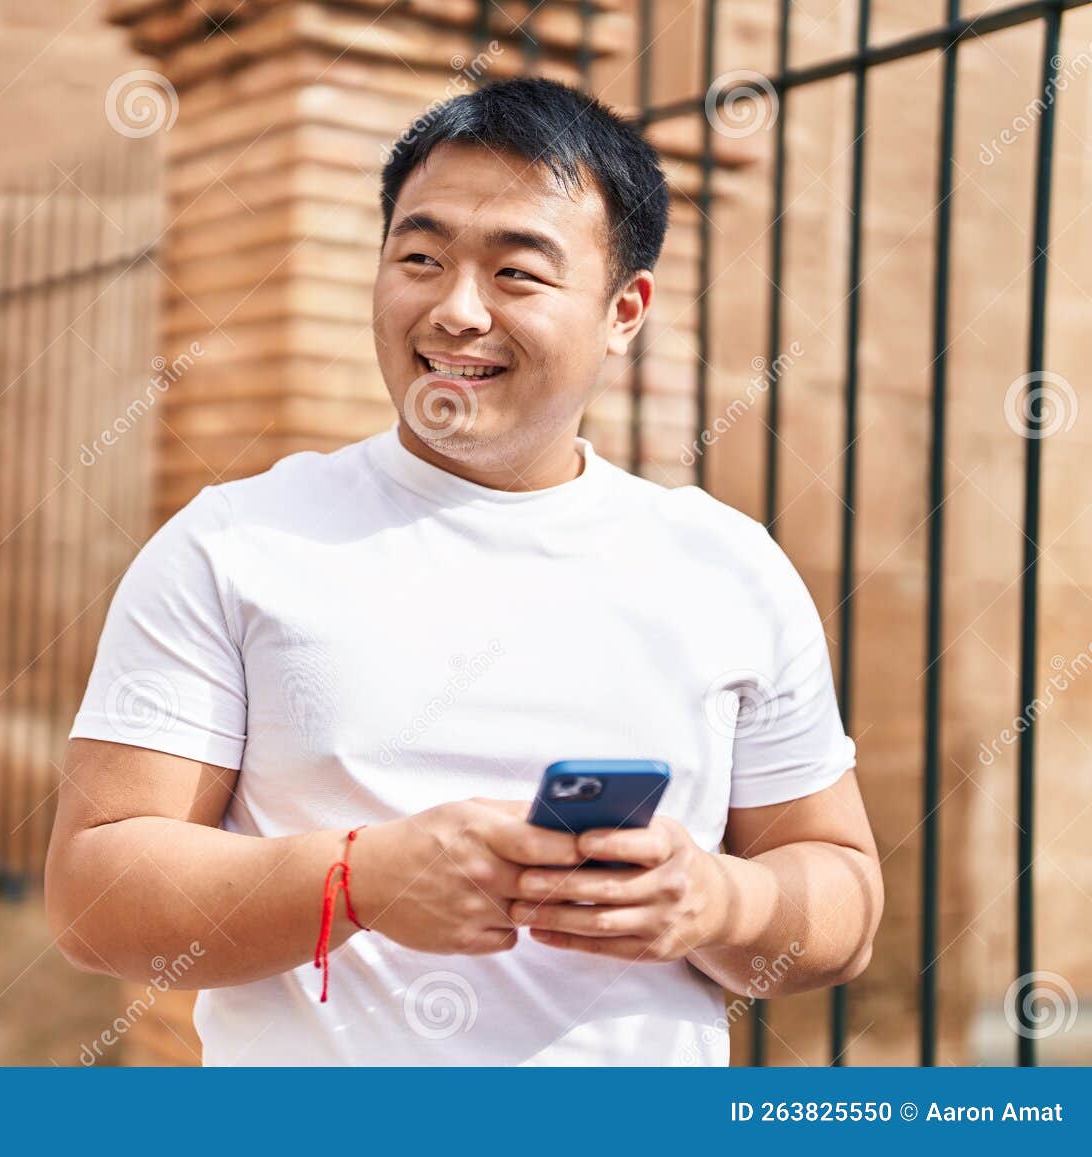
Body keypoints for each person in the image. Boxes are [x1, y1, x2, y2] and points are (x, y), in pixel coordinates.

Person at [45, 76, 883, 1065]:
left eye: (516, 274)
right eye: (419, 257)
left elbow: (843, 897)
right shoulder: (234, 543)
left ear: (625, 310)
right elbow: (94, 897)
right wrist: (352, 881)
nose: (454, 310)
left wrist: (718, 897)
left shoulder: (726, 564)